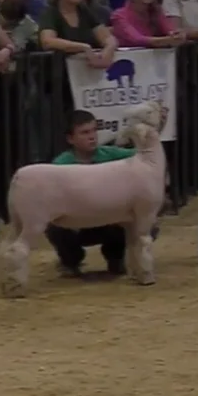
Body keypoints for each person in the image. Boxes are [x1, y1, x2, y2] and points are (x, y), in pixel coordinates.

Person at [45, 110, 136, 276]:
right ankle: (70, 261)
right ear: (70, 139)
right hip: (76, 223)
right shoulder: (59, 165)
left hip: (107, 220)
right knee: (55, 226)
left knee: (127, 218)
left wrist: (154, 131)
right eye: (85, 132)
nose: (92, 136)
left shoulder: (112, 154)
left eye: (94, 130)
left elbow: (144, 155)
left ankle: (115, 259)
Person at [39, 0, 120, 66]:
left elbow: (107, 37)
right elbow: (48, 41)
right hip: (59, 71)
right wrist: (83, 47)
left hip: (84, 71)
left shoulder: (85, 12)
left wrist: (108, 50)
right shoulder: (51, 13)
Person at [110, 0, 184, 48]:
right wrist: (167, 40)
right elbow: (137, 40)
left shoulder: (157, 11)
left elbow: (170, 31)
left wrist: (178, 34)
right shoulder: (119, 16)